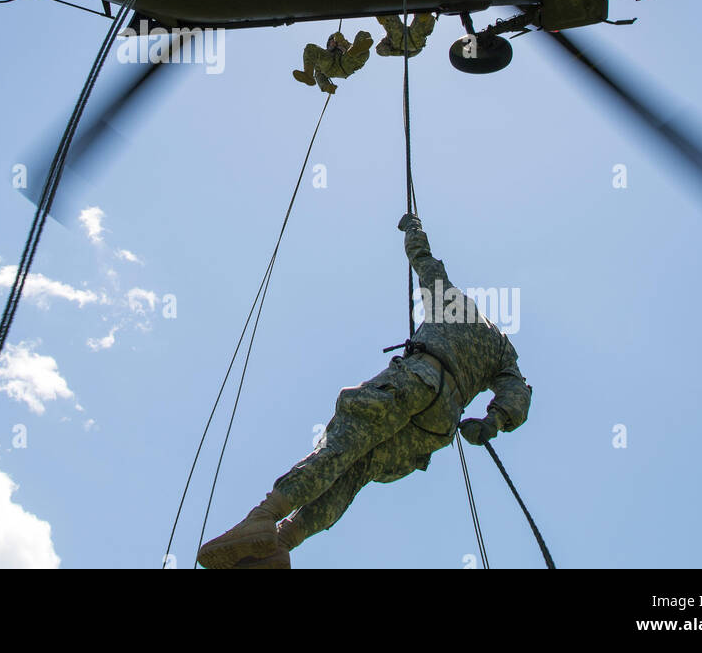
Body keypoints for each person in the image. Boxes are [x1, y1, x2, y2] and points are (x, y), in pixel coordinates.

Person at [197, 213, 532, 569]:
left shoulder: (451, 301)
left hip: (417, 379)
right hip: (438, 426)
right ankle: (282, 543)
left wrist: (413, 229)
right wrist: (492, 423)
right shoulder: (502, 349)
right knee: (360, 468)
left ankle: (264, 516)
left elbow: (424, 260)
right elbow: (518, 394)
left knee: (346, 442)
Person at [292, 30, 373, 93]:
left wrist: (343, 42)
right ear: (328, 43)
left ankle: (356, 50)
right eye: (332, 41)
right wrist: (326, 86)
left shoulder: (343, 48)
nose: (334, 43)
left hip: (346, 61)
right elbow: (319, 74)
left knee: (362, 39)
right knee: (310, 48)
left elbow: (353, 48)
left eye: (335, 41)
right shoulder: (324, 55)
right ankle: (308, 74)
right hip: (330, 65)